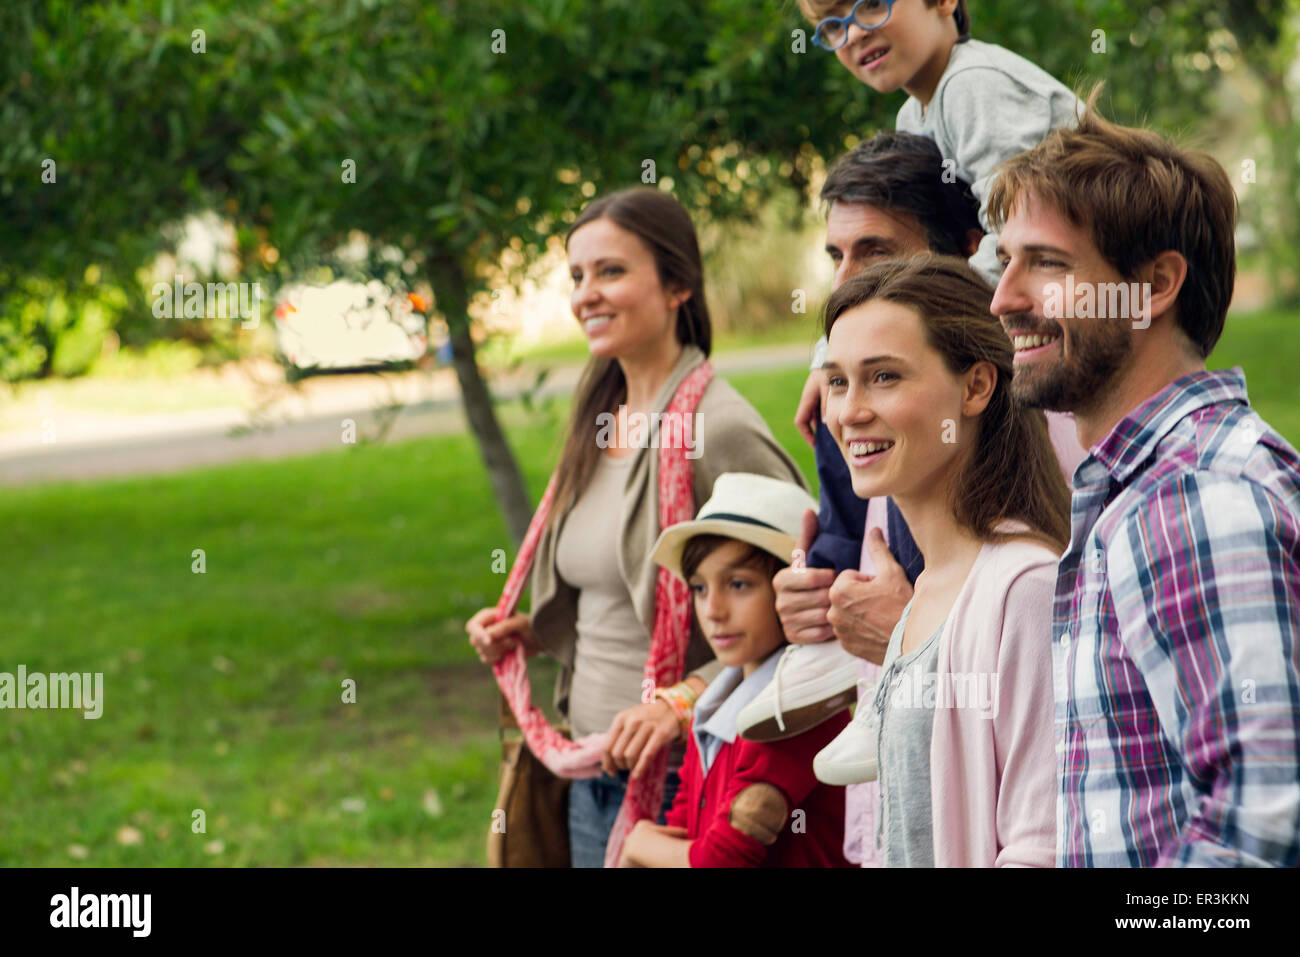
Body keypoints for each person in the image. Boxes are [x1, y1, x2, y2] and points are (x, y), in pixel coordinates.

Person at [752, 0, 1082, 761]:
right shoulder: (918, 112)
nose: (852, 34)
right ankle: (875, 642)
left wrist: (912, 330)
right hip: (1016, 322)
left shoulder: (973, 85)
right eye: (829, 25)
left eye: (869, 4)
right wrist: (829, 363)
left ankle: (907, 648)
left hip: (1065, 321)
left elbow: (1018, 238)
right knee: (855, 419)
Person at [987, 93, 1300, 866]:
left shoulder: (1193, 498)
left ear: (1155, 285)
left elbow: (1259, 829)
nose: (1004, 298)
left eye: (1047, 264)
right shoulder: (1143, 488)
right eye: (1006, 262)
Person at [465, 187, 808, 868]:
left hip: (684, 782)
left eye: (611, 271)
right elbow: (618, 594)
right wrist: (531, 630)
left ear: (677, 283)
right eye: (577, 276)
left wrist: (678, 703)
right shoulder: (600, 415)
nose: (586, 293)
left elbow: (803, 611)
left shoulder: (719, 426)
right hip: (589, 773)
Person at [821, 254, 1069, 866]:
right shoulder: (930, 587)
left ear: (976, 386)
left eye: (884, 377)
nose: (850, 411)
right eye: (836, 381)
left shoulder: (1025, 590)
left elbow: (1040, 846)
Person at [618, 473, 851, 867]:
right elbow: (684, 828)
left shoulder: (794, 712)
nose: (714, 610)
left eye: (739, 585)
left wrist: (638, 843)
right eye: (700, 588)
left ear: (791, 590)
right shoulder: (710, 706)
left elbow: (721, 861)